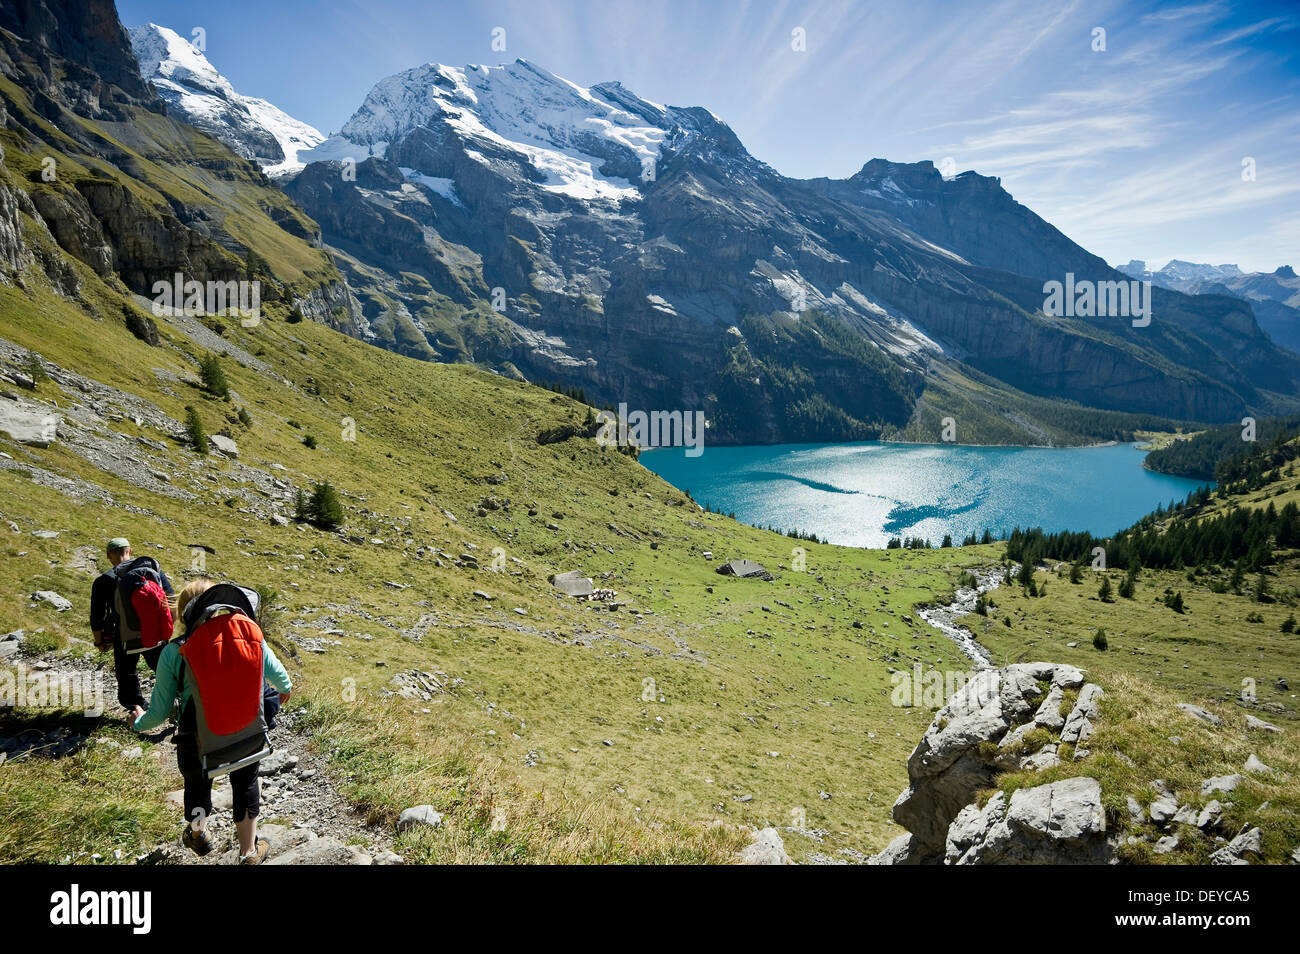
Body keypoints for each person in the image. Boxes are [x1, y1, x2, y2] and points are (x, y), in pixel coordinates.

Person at [133, 578, 292, 865]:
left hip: (197, 738)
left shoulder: (174, 652)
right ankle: (248, 853)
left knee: (196, 783)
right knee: (245, 782)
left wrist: (137, 723)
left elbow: (158, 712)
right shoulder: (247, 634)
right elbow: (284, 682)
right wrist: (278, 699)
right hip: (246, 731)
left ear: (183, 613)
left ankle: (199, 835)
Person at [89, 537, 172, 719]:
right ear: (130, 551)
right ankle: (175, 702)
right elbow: (171, 599)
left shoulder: (103, 581)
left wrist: (100, 642)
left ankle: (137, 709)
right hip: (156, 634)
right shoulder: (152, 571)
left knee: (127, 674)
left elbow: (97, 617)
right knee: (164, 669)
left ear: (109, 555)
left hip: (125, 638)